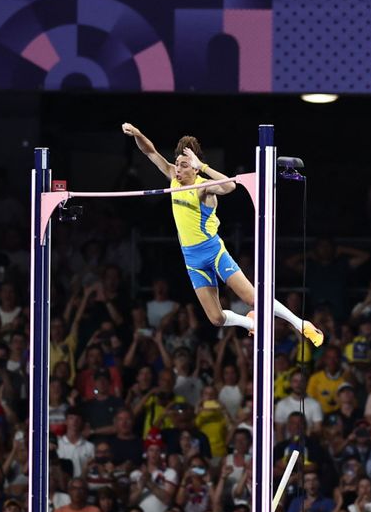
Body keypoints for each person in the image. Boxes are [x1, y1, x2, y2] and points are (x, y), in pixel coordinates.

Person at [121, 123, 323, 347]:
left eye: (184, 165)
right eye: (177, 164)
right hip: (192, 259)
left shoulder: (203, 187)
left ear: (195, 168)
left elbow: (230, 187)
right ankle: (250, 324)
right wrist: (138, 134)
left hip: (214, 252)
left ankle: (300, 323)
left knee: (253, 298)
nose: (178, 169)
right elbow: (150, 151)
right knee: (216, 318)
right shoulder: (172, 178)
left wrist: (204, 166)